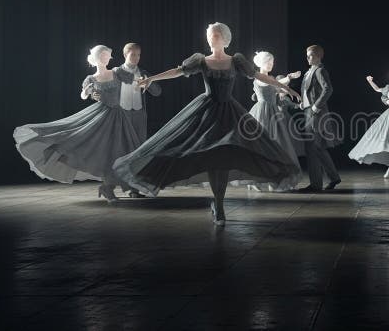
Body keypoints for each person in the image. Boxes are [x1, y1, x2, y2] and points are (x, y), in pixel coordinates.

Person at [113, 23, 301, 225]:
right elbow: (178, 71)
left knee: (223, 159)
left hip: (229, 113)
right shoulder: (201, 60)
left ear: (225, 38)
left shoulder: (235, 60)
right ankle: (218, 206)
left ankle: (218, 203)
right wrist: (152, 78)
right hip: (207, 112)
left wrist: (286, 88)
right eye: (210, 35)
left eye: (216, 35)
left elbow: (259, 75)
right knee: (212, 159)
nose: (212, 38)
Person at [14, 45, 142, 202]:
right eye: (102, 55)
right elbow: (83, 94)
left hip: (118, 116)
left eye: (107, 55)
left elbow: (135, 79)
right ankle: (108, 188)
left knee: (120, 151)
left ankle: (109, 187)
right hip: (101, 116)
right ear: (96, 58)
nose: (106, 58)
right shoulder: (91, 79)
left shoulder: (116, 72)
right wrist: (87, 92)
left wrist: (144, 81)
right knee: (102, 150)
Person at [248, 51, 303, 191]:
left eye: (272, 62)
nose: (271, 65)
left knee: (276, 145)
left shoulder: (270, 78)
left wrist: (288, 84)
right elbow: (275, 83)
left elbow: (276, 86)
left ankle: (274, 180)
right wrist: (290, 88)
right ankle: (257, 180)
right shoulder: (258, 76)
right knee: (262, 146)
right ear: (261, 63)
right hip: (263, 112)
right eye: (268, 62)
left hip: (273, 112)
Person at [113, 42, 162, 198]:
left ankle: (134, 189)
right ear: (125, 55)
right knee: (122, 149)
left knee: (139, 151)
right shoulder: (116, 72)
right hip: (122, 115)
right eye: (133, 54)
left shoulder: (143, 72)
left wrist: (149, 83)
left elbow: (157, 92)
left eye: (138, 55)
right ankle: (112, 186)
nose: (136, 58)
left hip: (139, 115)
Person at [296, 45, 342, 192]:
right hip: (308, 111)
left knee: (313, 147)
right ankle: (332, 178)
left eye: (310, 55)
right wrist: (303, 103)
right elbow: (308, 91)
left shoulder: (320, 70)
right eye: (307, 55)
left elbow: (328, 89)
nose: (307, 58)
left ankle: (317, 184)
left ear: (318, 56)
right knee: (316, 148)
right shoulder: (308, 72)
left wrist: (315, 106)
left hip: (316, 113)